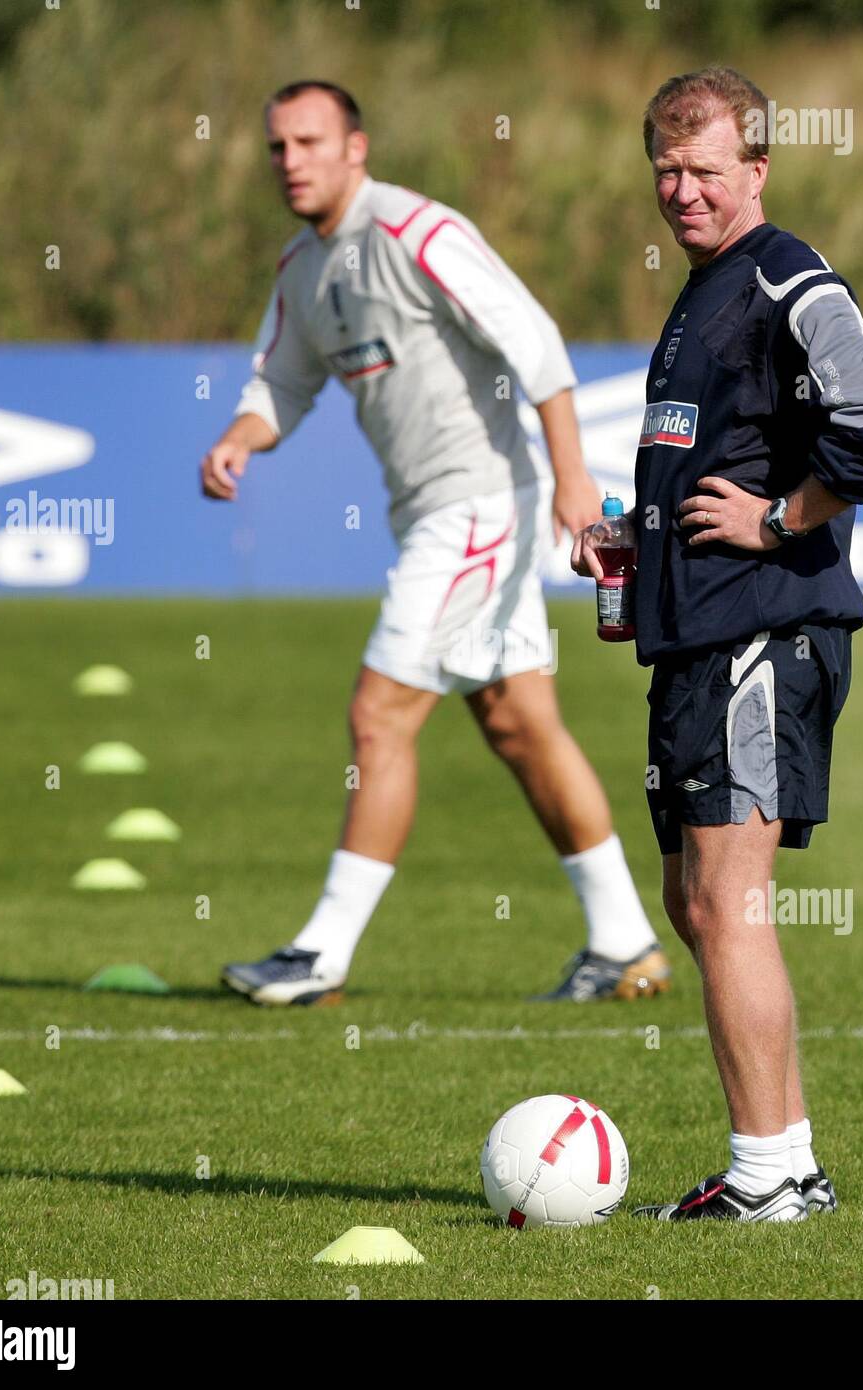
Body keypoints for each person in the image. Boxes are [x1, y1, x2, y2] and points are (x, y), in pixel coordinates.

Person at [202, 80, 670, 1007]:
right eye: (276, 147)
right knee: (519, 725)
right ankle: (625, 943)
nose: (290, 160)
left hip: (481, 505)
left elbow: (536, 344)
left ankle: (321, 954)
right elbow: (280, 387)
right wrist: (237, 440)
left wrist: (574, 482)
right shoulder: (304, 268)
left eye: (308, 141)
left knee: (380, 717)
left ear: (356, 149)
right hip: (432, 513)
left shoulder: (418, 233)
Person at [572, 67, 863, 1220]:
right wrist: (635, 535)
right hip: (694, 637)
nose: (680, 191)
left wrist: (778, 521)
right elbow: (713, 459)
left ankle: (769, 1175)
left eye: (703, 170)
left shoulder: (785, 276)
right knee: (694, 901)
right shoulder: (702, 289)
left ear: (755, 169)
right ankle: (787, 1162)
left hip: (761, 638)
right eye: (664, 170)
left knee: (727, 901)